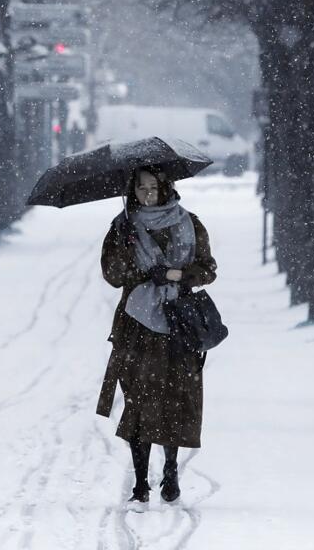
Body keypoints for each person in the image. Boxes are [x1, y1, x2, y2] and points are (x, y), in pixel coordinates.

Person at [96, 167, 217, 507]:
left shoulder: (190, 222)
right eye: (140, 188)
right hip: (136, 326)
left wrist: (177, 274)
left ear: (166, 188)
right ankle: (139, 483)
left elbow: (207, 268)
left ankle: (171, 468)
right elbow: (112, 275)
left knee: (174, 400)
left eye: (153, 187)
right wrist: (132, 258)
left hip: (179, 324)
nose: (147, 194)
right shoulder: (123, 227)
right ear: (131, 190)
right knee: (139, 399)